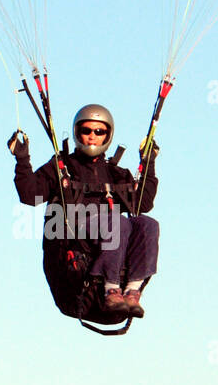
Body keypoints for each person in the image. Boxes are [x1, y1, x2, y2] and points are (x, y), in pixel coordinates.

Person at [9, 104, 160, 323]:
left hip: (109, 239)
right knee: (117, 223)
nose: (92, 137)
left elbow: (143, 203)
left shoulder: (116, 174)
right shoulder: (61, 167)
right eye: (86, 131)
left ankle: (132, 290)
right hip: (74, 241)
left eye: (99, 132)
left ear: (107, 136)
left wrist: (149, 163)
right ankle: (110, 290)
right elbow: (30, 195)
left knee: (148, 224)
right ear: (77, 133)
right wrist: (22, 160)